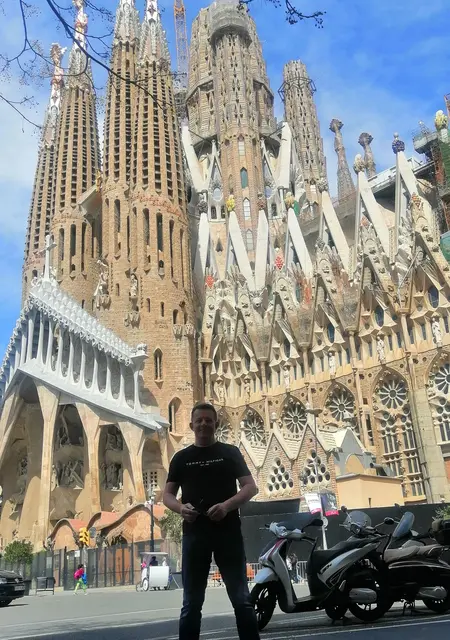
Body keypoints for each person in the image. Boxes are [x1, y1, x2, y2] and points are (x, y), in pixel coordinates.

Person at [163, 402, 260, 640]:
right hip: (195, 536)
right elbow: (167, 496)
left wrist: (226, 506)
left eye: (208, 420)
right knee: (191, 603)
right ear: (191, 425)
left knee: (242, 600)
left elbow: (250, 487)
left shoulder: (230, 452)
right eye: (199, 420)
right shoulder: (181, 458)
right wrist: (181, 508)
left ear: (216, 424)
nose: (204, 424)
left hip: (228, 534)